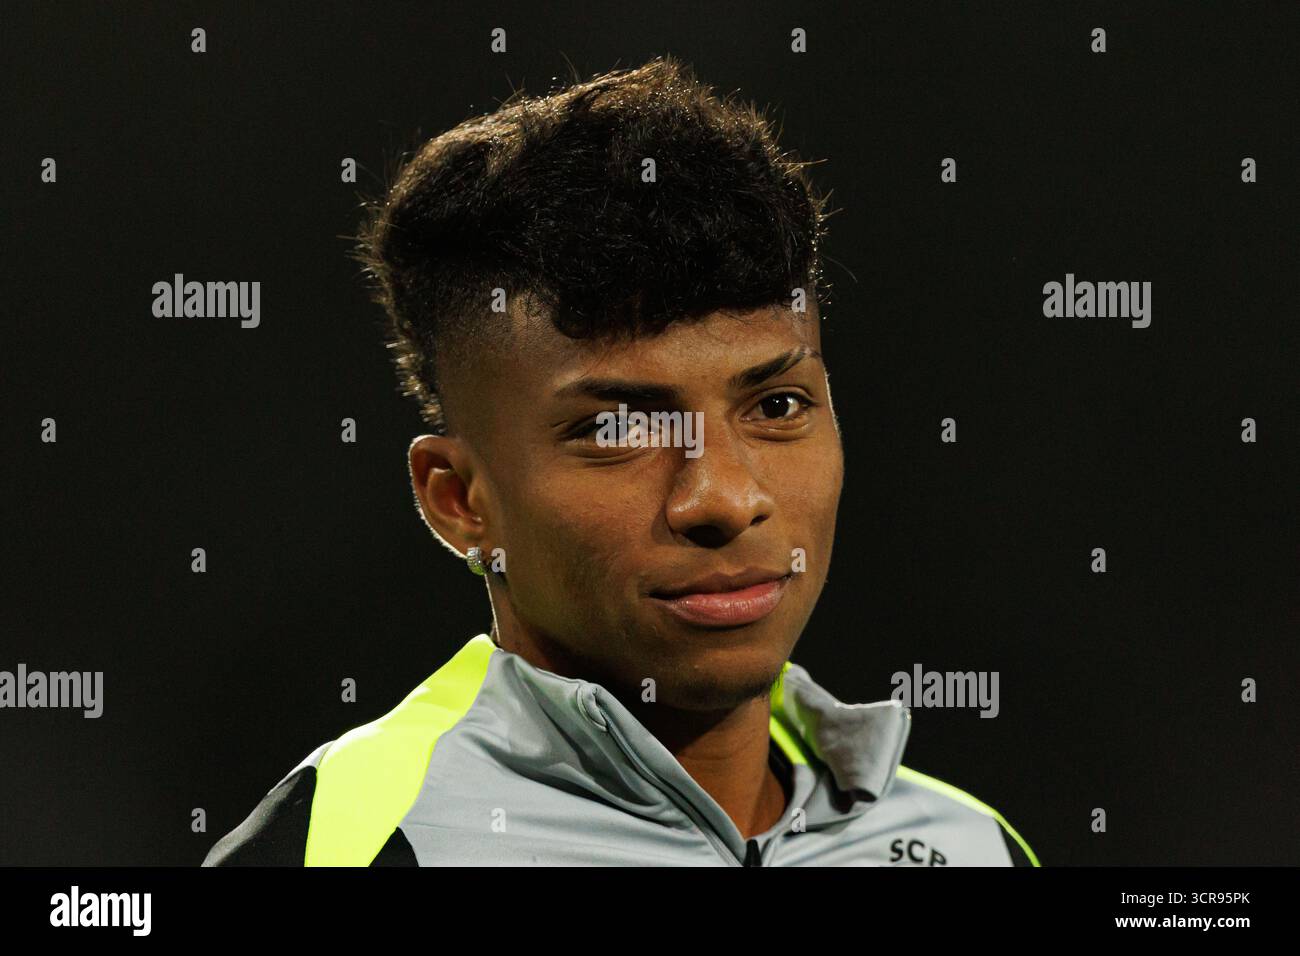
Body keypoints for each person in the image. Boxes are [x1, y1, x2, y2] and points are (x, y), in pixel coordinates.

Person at [203, 55, 1038, 867]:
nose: (723, 497)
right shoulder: (345, 847)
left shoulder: (971, 845)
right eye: (617, 432)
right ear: (459, 501)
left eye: (777, 406)